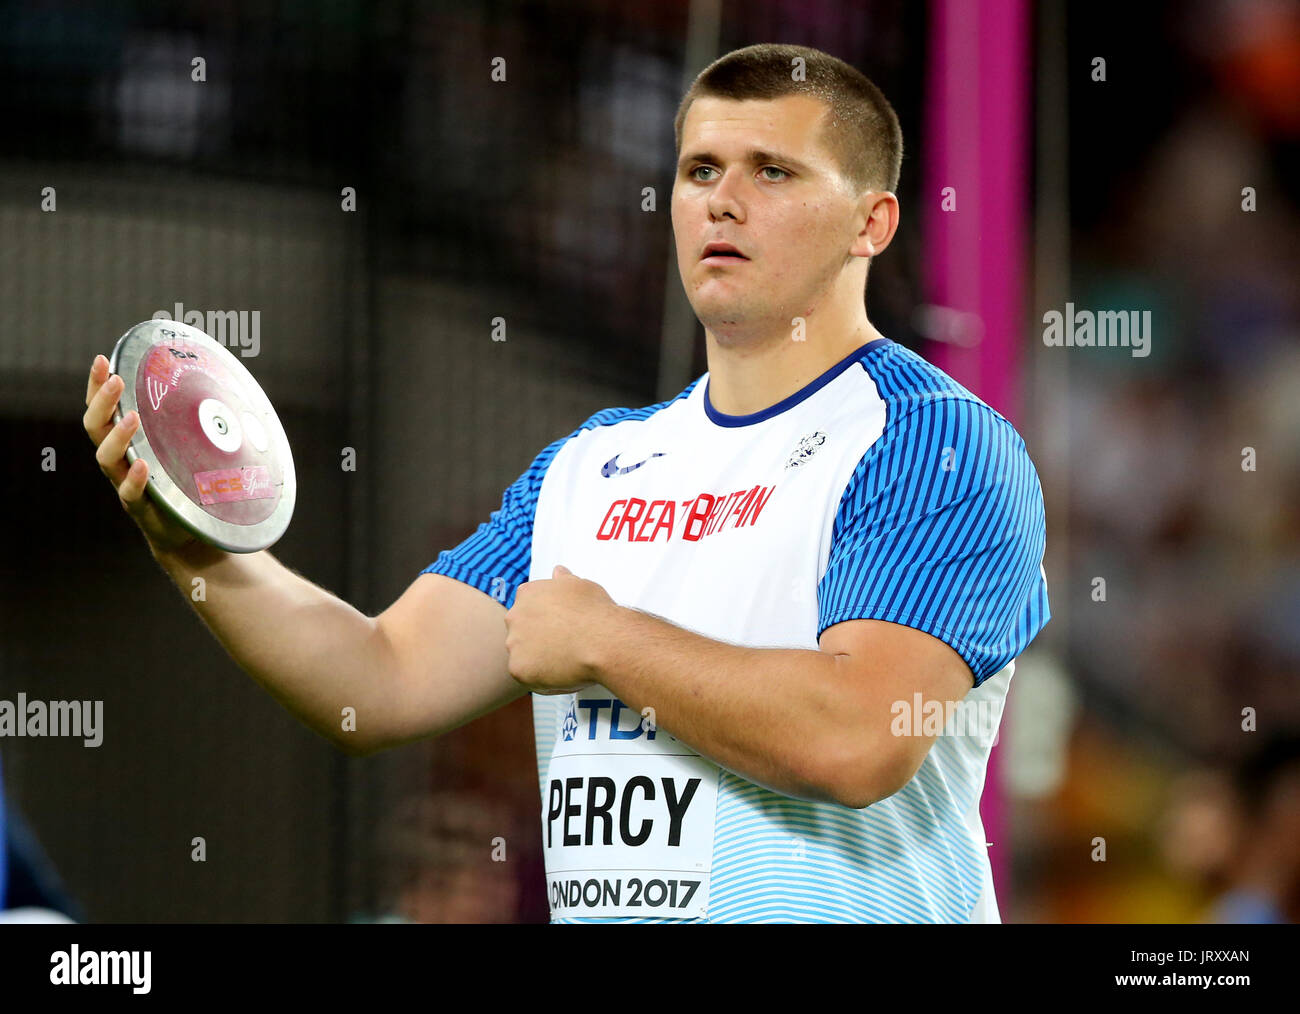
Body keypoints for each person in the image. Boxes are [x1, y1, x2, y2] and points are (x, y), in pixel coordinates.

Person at [82, 43, 1049, 923]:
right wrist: (190, 541)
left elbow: (858, 738)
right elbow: (378, 680)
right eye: (700, 170)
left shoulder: (934, 440)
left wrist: (603, 640)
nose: (723, 200)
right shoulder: (590, 466)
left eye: (775, 172)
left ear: (870, 223)